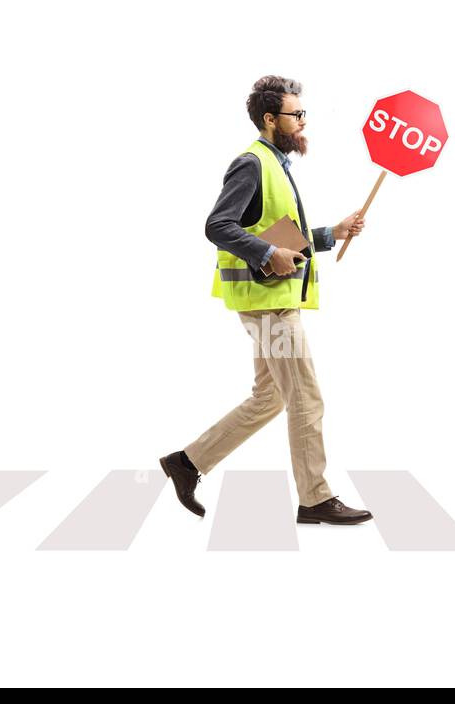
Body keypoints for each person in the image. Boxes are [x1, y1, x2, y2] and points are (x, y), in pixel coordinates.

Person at [159, 75, 373, 526]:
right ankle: (315, 498)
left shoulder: (276, 164)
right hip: (270, 306)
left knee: (272, 395)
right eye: (295, 115)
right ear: (270, 119)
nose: (302, 123)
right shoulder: (252, 164)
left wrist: (329, 234)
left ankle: (187, 462)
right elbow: (218, 225)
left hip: (267, 301)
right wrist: (266, 254)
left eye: (303, 114)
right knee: (306, 398)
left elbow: (278, 234)